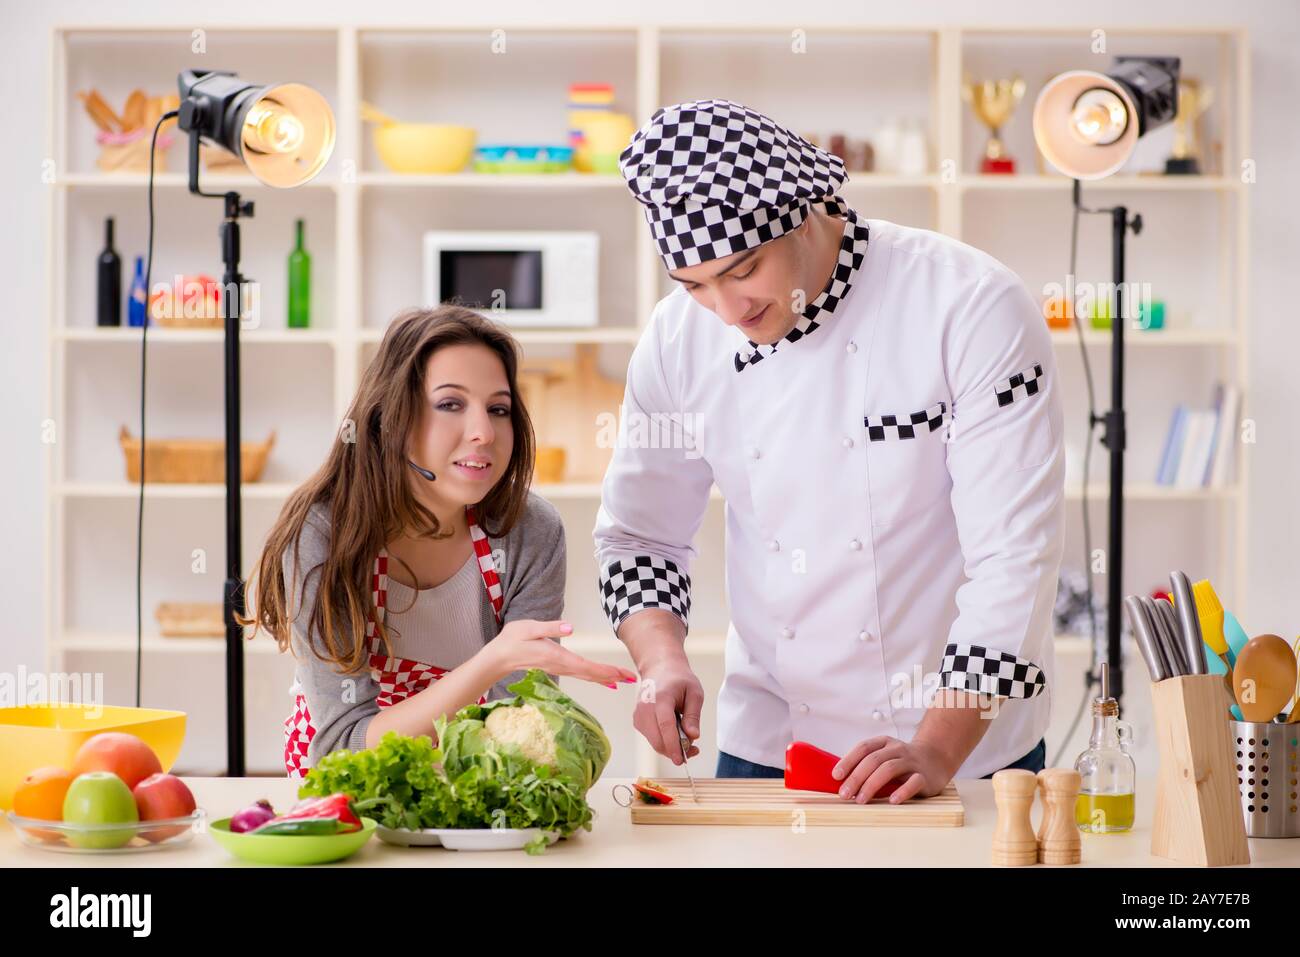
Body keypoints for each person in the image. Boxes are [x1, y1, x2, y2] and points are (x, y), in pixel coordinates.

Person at [594, 100, 1065, 802]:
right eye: (694, 285)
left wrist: (936, 748)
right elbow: (638, 538)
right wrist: (660, 658)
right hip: (771, 743)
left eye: (743, 268)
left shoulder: (969, 305)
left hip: (963, 746)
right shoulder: (675, 341)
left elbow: (1015, 563)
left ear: (807, 209)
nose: (726, 311)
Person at [243, 305, 636, 777]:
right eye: (450, 404)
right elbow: (339, 751)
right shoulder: (324, 532)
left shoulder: (531, 530)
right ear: (390, 417)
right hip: (354, 794)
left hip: (476, 783)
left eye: (499, 409)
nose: (484, 432)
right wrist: (494, 660)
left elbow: (518, 727)